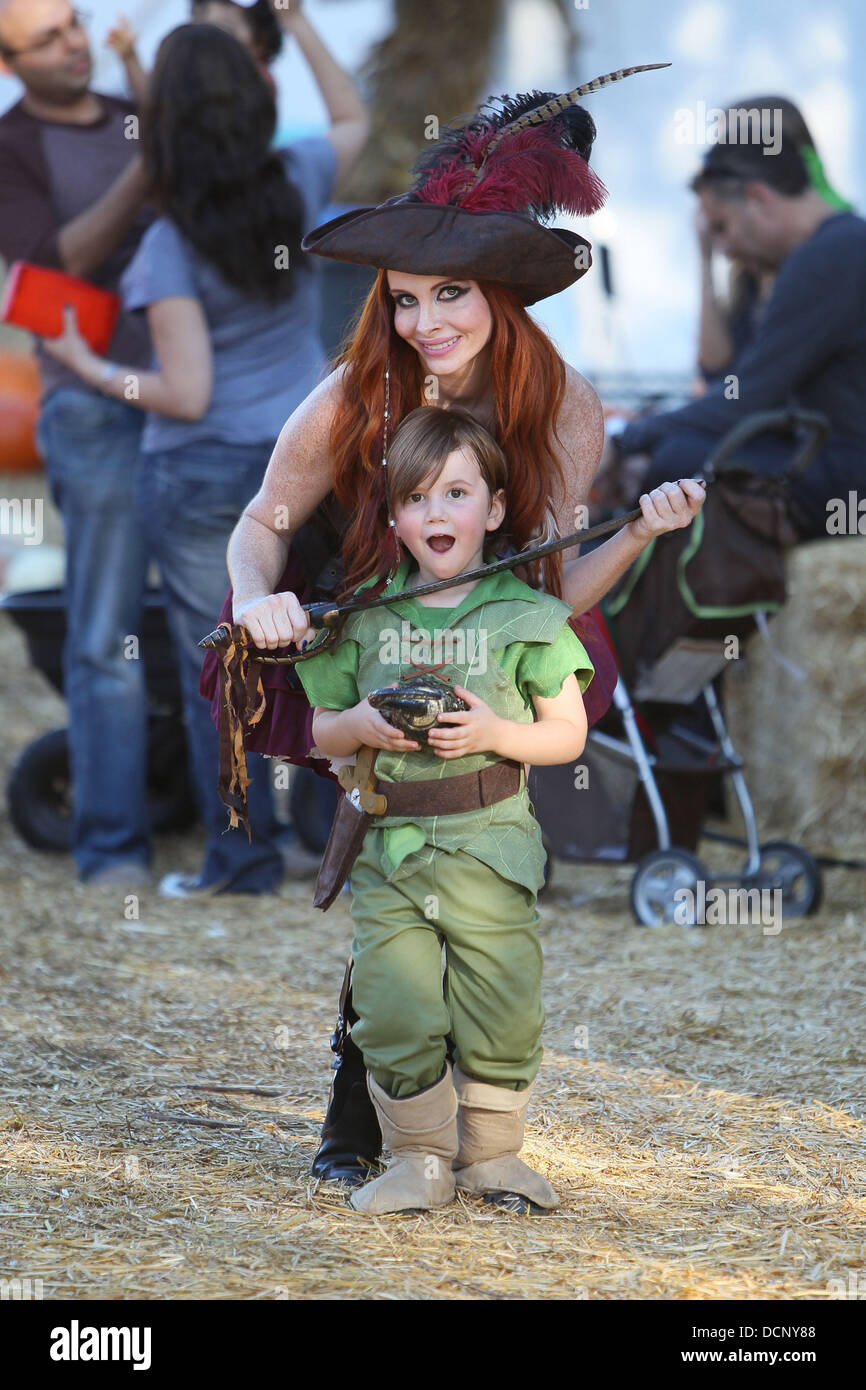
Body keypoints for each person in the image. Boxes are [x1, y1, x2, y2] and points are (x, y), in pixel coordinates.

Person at [211, 67, 705, 1178]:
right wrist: (258, 601)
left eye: (449, 296)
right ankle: (363, 1133)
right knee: (385, 855)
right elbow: (258, 525)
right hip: (345, 626)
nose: (421, 321)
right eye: (402, 297)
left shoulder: (560, 403)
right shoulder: (351, 394)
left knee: (459, 882)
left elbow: (555, 596)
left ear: (498, 295)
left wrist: (637, 536)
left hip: (478, 644)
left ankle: (468, 1147)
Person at [43, 17, 369, 895]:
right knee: (327, 645)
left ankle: (240, 856)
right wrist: (299, 21)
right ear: (259, 102)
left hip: (204, 477)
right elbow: (354, 118)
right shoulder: (300, 177)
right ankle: (332, 832)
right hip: (311, 459)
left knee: (230, 670)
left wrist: (89, 368)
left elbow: (181, 394)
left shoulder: (169, 245)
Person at [295, 404, 598, 1214]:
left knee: (503, 1003)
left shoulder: (526, 616)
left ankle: (493, 1160)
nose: (437, 512)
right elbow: (322, 730)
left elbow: (566, 734)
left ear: (494, 511)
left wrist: (498, 730)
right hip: (390, 850)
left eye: (457, 494)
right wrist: (357, 725)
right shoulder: (363, 618)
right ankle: (419, 1159)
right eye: (418, 497)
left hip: (491, 846)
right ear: (394, 517)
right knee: (396, 1004)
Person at [0, 0, 154, 885]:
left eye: (75, 22)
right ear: (12, 63)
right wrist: (146, 174)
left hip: (191, 400)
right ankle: (110, 846)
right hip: (90, 404)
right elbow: (58, 267)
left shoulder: (132, 111)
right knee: (104, 633)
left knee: (236, 616)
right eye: (50, 37)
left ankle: (235, 838)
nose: (74, 42)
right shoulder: (13, 145)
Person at [611, 101, 865, 538]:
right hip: (832, 456)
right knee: (677, 453)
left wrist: (623, 440)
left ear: (758, 198)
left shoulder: (826, 258)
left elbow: (743, 400)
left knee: (675, 463)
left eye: (723, 227)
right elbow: (728, 384)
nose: (723, 248)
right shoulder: (838, 245)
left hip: (850, 475)